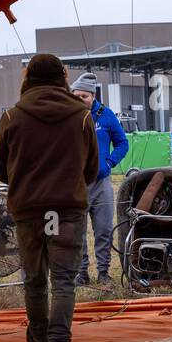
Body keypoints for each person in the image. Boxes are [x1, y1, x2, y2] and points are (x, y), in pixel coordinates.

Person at [0, 54, 99, 342]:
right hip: (67, 211)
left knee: (35, 280)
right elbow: (92, 170)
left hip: (27, 212)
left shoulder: (11, 116)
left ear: (28, 78)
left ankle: (38, 340)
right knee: (64, 282)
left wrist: (27, 181)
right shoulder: (81, 115)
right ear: (63, 78)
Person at [69, 72, 129, 287]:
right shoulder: (66, 117)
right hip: (76, 184)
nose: (80, 100)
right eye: (75, 96)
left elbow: (123, 143)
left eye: (84, 96)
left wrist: (110, 163)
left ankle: (103, 271)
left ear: (93, 96)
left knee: (103, 229)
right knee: (78, 231)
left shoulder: (106, 116)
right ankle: (81, 272)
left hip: (101, 182)